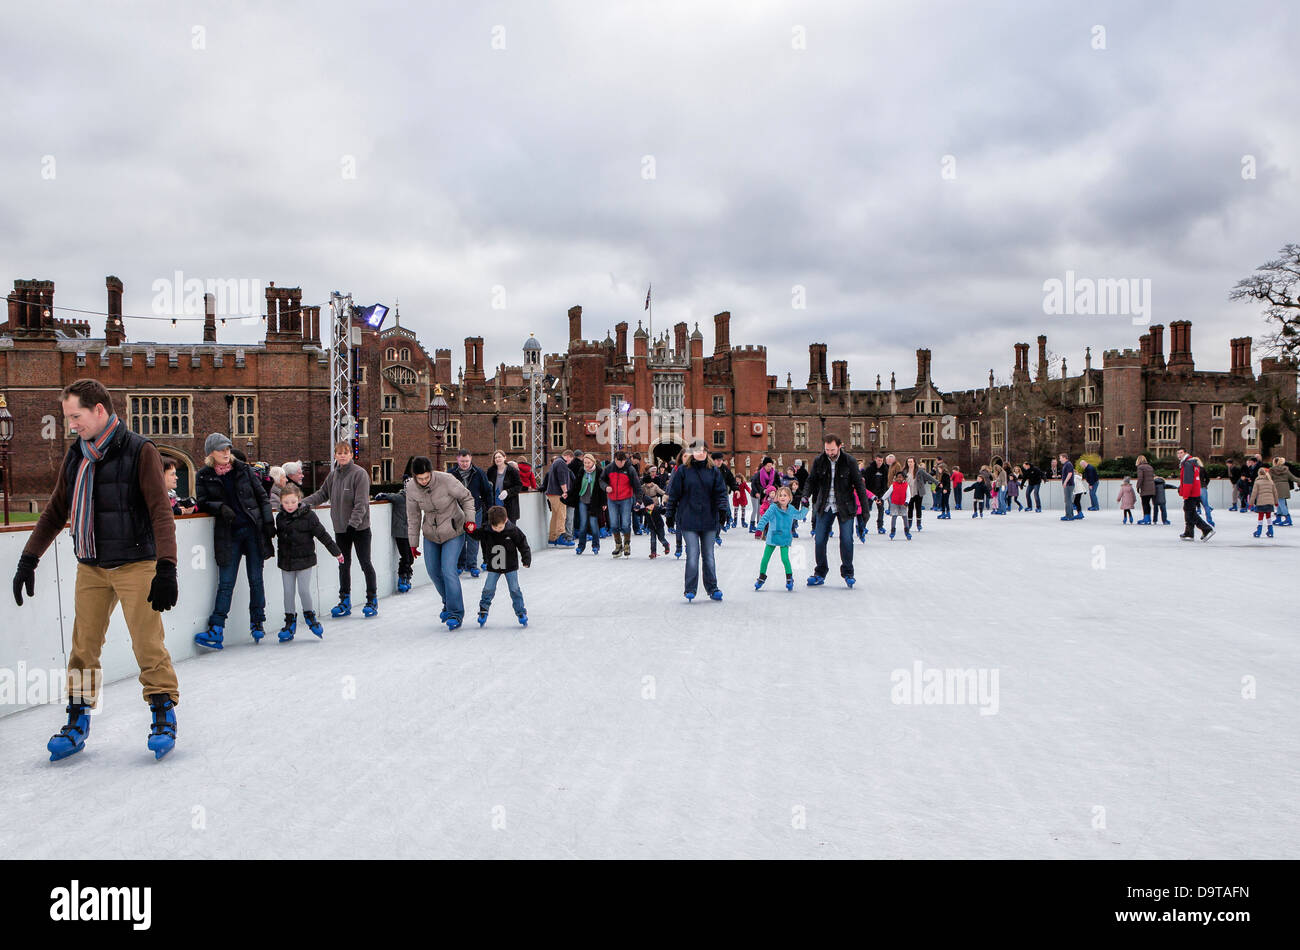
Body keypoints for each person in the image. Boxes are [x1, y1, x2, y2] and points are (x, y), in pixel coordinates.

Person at [11, 378, 180, 761]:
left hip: (136, 563)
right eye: (68, 416)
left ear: (99, 410)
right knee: (83, 648)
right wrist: (29, 557)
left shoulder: (141, 451)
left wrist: (166, 567)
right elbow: (56, 510)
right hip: (90, 565)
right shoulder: (77, 455)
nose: (71, 424)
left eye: (76, 416)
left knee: (147, 644)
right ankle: (77, 718)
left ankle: (162, 713)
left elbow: (160, 512)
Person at [194, 432, 276, 647]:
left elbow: (262, 497)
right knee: (226, 582)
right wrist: (220, 507)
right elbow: (202, 502)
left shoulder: (243, 469)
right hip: (228, 534)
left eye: (228, 449)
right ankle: (217, 629)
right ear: (211, 452)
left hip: (252, 531)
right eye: (221, 449)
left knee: (255, 579)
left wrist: (268, 523)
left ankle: (257, 622)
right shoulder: (204, 475)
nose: (226, 453)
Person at [302, 441, 378, 617]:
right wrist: (302, 503)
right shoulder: (333, 475)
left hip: (359, 529)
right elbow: (322, 494)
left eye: (346, 452)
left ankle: (371, 599)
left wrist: (353, 524)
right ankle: (345, 600)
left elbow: (361, 503)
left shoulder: (359, 474)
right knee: (343, 564)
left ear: (351, 454)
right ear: (335, 455)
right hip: (341, 529)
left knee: (365, 562)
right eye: (339, 453)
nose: (342, 455)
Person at [406, 456, 475, 630]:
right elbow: (413, 516)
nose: (423, 481)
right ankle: (448, 601)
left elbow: (467, 498)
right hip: (431, 533)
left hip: (454, 530)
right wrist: (412, 543)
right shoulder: (411, 487)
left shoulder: (446, 480)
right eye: (419, 478)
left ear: (431, 472)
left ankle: (455, 613)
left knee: (448, 569)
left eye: (426, 477)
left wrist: (470, 520)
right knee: (433, 571)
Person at [273, 482, 344, 641]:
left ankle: (310, 616)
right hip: (286, 561)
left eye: (293, 502)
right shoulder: (280, 518)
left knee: (304, 590)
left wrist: (336, 552)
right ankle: (289, 622)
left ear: (299, 500)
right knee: (288, 592)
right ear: (281, 502)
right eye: (286, 502)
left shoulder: (309, 516)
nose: (290, 505)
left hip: (305, 560)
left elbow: (322, 534)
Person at [799, 435, 869, 587]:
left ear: (839, 446)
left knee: (846, 540)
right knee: (819, 540)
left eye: (832, 450)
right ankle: (820, 572)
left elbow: (859, 485)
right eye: (827, 449)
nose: (829, 453)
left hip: (845, 506)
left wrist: (865, 509)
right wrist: (805, 496)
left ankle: (848, 573)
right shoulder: (819, 460)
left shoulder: (849, 461)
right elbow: (811, 481)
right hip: (825, 505)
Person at [665, 441, 729, 601]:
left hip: (709, 519)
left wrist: (722, 510)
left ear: (707, 453)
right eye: (697, 450)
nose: (700, 453)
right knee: (693, 554)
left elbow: (721, 493)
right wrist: (670, 514)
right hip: (688, 519)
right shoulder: (683, 471)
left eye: (703, 450)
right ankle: (690, 589)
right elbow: (674, 494)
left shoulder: (714, 471)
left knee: (708, 555)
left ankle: (712, 588)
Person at [467, 505, 531, 626]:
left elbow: (523, 543)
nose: (498, 529)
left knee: (514, 589)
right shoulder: (487, 530)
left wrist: (526, 559)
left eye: (500, 527)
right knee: (488, 589)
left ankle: (521, 612)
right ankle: (483, 609)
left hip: (510, 566)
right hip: (493, 567)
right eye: (495, 527)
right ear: (490, 523)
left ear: (506, 520)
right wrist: (470, 529)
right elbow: (476, 534)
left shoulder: (513, 531)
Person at [753, 485, 805, 592]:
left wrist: (805, 506)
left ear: (789, 498)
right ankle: (761, 577)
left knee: (785, 558)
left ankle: (789, 578)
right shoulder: (773, 508)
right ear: (777, 497)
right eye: (780, 495)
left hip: (785, 538)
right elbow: (765, 518)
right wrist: (759, 529)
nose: (782, 497)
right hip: (772, 536)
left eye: (785, 495)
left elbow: (800, 516)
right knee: (765, 558)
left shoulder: (791, 509)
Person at [449, 450, 492, 576]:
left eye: (467, 461)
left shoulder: (479, 473)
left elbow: (487, 492)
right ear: (457, 460)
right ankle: (459, 564)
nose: (465, 464)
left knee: (473, 537)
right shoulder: (451, 474)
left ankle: (472, 565)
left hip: (475, 510)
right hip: (456, 510)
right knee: (459, 537)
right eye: (462, 461)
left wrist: (490, 508)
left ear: (471, 459)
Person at [374, 463, 414, 594]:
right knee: (405, 557)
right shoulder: (400, 497)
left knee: (411, 557)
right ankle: (403, 578)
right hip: (400, 533)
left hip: (410, 533)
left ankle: (407, 575)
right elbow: (387, 495)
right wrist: (381, 495)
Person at [600, 450, 643, 558]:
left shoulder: (630, 469)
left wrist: (639, 500)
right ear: (615, 460)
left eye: (623, 462)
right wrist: (606, 487)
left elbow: (637, 486)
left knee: (625, 524)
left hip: (626, 499)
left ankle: (627, 544)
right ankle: (618, 545)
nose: (621, 464)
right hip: (612, 499)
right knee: (614, 524)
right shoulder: (609, 468)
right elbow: (601, 480)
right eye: (619, 462)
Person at [570, 452, 607, 555]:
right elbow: (576, 485)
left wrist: (604, 502)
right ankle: (581, 546)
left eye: (588, 462)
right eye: (585, 462)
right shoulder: (582, 471)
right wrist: (568, 494)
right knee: (583, 524)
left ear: (593, 462)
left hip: (594, 502)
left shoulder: (599, 471)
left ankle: (595, 546)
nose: (586, 465)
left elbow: (602, 487)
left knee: (593, 524)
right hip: (583, 500)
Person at [1176, 447, 1214, 541]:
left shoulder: (1188, 464)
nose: (1179, 455)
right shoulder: (1191, 463)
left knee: (1190, 512)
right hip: (1194, 491)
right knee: (1189, 511)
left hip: (1191, 492)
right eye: (1178, 453)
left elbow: (1188, 480)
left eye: (1181, 453)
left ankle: (1206, 529)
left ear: (1185, 453)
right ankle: (1189, 533)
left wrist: (1186, 493)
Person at [544, 450, 576, 546]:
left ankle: (552, 538)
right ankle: (561, 537)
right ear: (568, 456)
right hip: (558, 493)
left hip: (552, 493)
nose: (570, 462)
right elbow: (562, 479)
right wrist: (565, 492)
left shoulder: (556, 462)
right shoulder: (562, 463)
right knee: (562, 515)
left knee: (555, 516)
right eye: (571, 459)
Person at [486, 449, 524, 523]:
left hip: (509, 504)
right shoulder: (491, 471)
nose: (497, 459)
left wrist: (508, 492)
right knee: (496, 525)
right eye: (495, 457)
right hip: (495, 503)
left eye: (499, 457)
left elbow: (519, 486)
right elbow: (487, 485)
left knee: (509, 527)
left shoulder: (512, 471)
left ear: (504, 457)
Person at [642, 473, 671, 558]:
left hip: (659, 523)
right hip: (652, 527)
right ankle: (653, 552)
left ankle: (666, 545)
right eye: (647, 483)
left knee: (661, 538)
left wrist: (666, 496)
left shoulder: (655, 486)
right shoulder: (643, 488)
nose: (649, 484)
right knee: (653, 539)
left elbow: (662, 492)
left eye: (650, 482)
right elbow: (641, 512)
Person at [1249, 467, 1277, 538]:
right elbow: (1275, 493)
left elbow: (1254, 493)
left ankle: (1258, 531)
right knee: (1268, 517)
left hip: (1261, 502)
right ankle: (1271, 531)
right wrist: (1276, 502)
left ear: (1258, 473)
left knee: (1260, 516)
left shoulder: (1257, 482)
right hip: (1270, 502)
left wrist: (1251, 503)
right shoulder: (1271, 481)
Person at [1270, 456, 1295, 526]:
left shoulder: (1272, 470)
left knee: (1281, 504)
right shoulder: (1285, 469)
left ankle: (1288, 519)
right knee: (1280, 503)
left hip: (1277, 488)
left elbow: (1269, 479)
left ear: (1274, 462)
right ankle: (1278, 518)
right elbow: (1292, 477)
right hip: (1284, 488)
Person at [886, 471, 912, 537]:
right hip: (895, 503)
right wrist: (881, 499)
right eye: (898, 477)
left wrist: (907, 502)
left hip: (903, 504)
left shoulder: (906, 485)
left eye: (900, 477)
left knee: (905, 517)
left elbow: (908, 495)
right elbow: (888, 493)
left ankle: (907, 531)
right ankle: (892, 531)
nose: (899, 479)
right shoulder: (893, 485)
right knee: (894, 517)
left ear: (904, 478)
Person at [1135, 455, 1156, 524]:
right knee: (1148, 503)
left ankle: (1146, 518)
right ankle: (1148, 518)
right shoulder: (1150, 467)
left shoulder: (1140, 467)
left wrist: (1138, 487)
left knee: (1145, 503)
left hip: (1145, 488)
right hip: (1152, 488)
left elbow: (1140, 478)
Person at [1059, 454, 1078, 521]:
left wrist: (1065, 482)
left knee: (1068, 500)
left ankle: (1069, 516)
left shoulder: (1068, 464)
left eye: (1060, 458)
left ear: (1064, 458)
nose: (1060, 459)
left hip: (1069, 485)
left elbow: (1070, 473)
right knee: (1068, 500)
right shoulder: (1066, 464)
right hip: (1068, 484)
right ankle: (1070, 515)